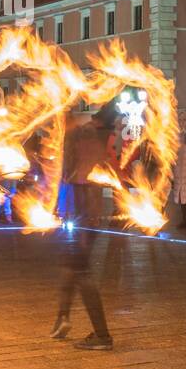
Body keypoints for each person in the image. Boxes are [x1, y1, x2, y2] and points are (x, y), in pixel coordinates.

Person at [53, 105, 117, 351]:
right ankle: (62, 317)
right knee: (71, 266)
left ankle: (102, 335)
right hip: (88, 215)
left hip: (81, 214)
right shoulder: (98, 137)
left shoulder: (81, 136)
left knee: (81, 271)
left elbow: (71, 173)